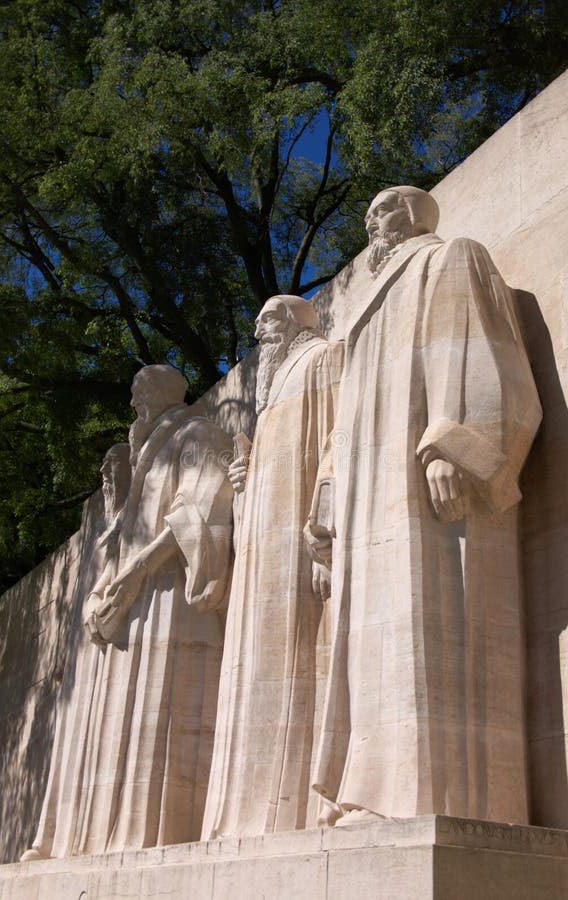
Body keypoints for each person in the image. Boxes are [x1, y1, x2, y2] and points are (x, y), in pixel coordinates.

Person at [308, 186, 542, 826]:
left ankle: (426, 797)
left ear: (413, 215)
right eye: (368, 215)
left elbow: (481, 350)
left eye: (383, 209)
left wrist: (451, 444)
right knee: (372, 642)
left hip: (424, 477)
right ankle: (371, 788)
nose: (371, 223)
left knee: (428, 621)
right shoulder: (364, 314)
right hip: (367, 499)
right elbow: (343, 423)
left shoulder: (451, 258)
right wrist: (328, 504)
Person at [22, 365, 234, 858]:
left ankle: (157, 832)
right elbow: (119, 543)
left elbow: (199, 512)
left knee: (161, 715)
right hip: (128, 603)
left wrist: (139, 569)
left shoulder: (198, 435)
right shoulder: (145, 459)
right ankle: (97, 836)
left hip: (169, 597)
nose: (134, 402)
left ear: (165, 393)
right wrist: (105, 589)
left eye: (141, 392)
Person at [202, 296, 344, 839]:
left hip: (297, 545)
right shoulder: (272, 394)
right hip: (261, 558)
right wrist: (246, 481)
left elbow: (338, 444)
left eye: (267, 321)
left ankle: (299, 804)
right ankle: (248, 809)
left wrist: (324, 526)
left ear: (292, 322)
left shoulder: (323, 359)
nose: (259, 332)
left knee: (300, 662)